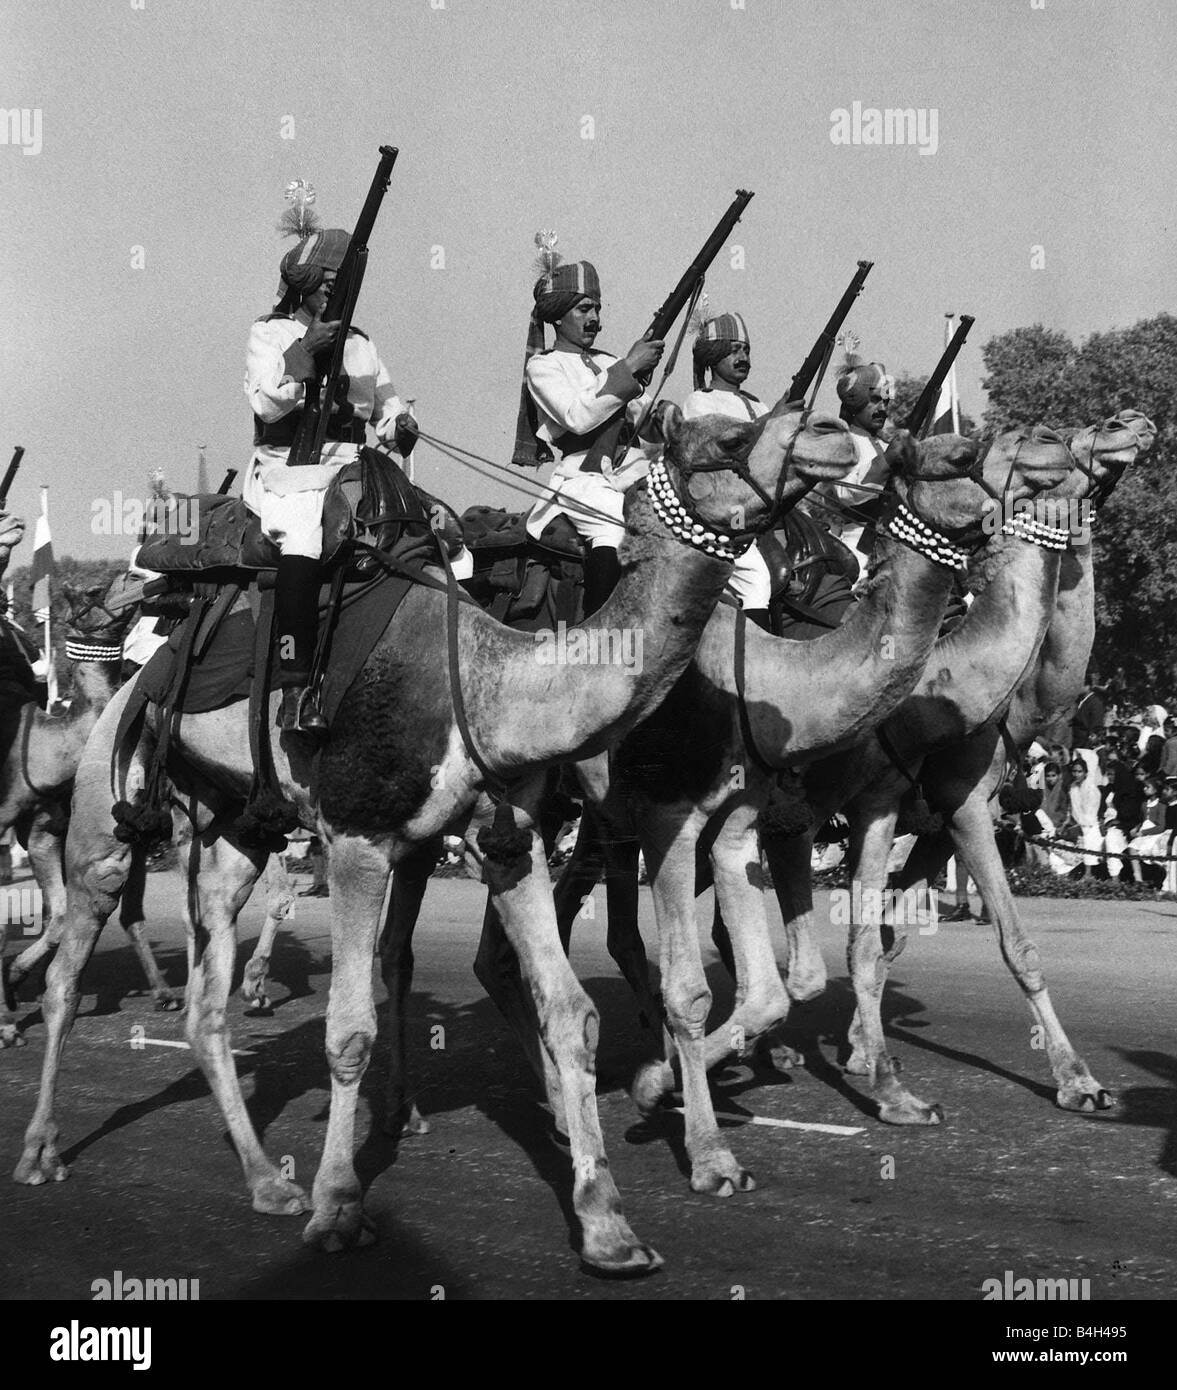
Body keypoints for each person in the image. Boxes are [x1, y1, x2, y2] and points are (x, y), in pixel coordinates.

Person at [244, 215, 418, 733]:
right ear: (304, 282)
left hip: (353, 469)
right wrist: (306, 353)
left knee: (444, 537)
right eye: (327, 279)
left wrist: (402, 424)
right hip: (288, 474)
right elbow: (267, 402)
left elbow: (387, 410)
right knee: (303, 539)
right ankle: (295, 689)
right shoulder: (269, 333)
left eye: (343, 280)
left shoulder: (363, 343)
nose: (334, 289)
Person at [515, 245, 665, 617]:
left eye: (597, 308)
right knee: (616, 522)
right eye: (584, 309)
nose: (594, 318)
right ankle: (601, 634)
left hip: (633, 470)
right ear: (557, 317)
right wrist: (629, 368)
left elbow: (646, 427)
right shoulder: (543, 366)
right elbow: (578, 416)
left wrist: (665, 418)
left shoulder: (610, 361)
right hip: (583, 477)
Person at [680, 313, 775, 628]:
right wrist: (772, 422)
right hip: (717, 512)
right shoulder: (699, 402)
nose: (743, 357)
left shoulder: (757, 405)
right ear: (713, 355)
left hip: (758, 510)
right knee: (757, 580)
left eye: (746, 350)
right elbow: (721, 447)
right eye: (733, 349)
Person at [811, 353, 893, 581]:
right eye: (875, 401)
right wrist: (887, 462)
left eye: (886, 401)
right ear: (856, 402)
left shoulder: (888, 443)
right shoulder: (841, 443)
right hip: (857, 544)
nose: (882, 409)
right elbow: (846, 493)